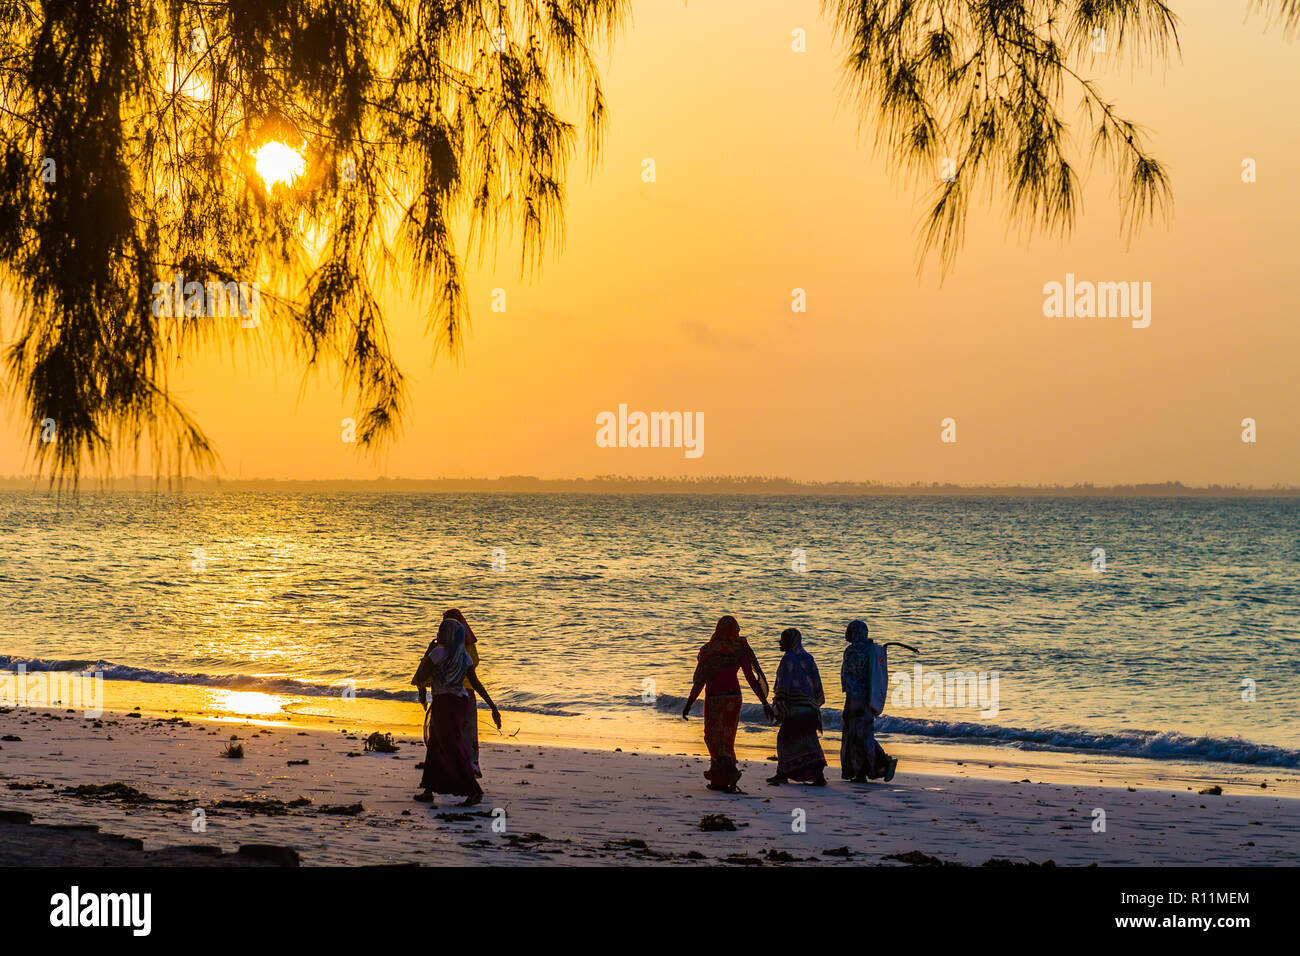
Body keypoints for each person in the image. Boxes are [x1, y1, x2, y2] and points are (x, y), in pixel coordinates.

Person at [412, 617, 501, 806]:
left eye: (440, 631)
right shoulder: (464, 656)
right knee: (436, 745)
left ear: (447, 634)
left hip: (444, 704)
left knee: (451, 746)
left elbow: (420, 677)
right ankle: (428, 789)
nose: (437, 635)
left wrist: (427, 654)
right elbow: (475, 684)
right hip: (460, 702)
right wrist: (493, 707)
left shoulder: (437, 653)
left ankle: (474, 791)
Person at [682, 615, 773, 793]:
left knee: (713, 739)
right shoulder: (739, 648)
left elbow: (700, 681)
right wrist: (764, 702)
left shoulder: (709, 651)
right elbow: (750, 678)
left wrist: (689, 703)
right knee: (726, 739)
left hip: (716, 700)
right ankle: (719, 781)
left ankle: (729, 773)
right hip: (734, 699)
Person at [767, 627, 827, 786]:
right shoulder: (808, 657)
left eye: (783, 640)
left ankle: (782, 774)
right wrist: (814, 702)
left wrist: (779, 706)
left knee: (784, 739)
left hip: (796, 709)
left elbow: (783, 686)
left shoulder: (788, 659)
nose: (780, 643)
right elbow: (817, 685)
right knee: (809, 741)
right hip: (810, 708)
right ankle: (818, 776)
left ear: (791, 642)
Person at [840, 619, 898, 783]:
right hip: (869, 699)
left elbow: (850, 678)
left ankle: (871, 767)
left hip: (855, 699)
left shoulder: (851, 651)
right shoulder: (871, 650)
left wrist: (849, 703)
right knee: (864, 734)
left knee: (854, 735)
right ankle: (873, 767)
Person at [442, 608, 482, 777]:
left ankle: (453, 769)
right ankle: (471, 766)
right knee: (468, 733)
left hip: (447, 696)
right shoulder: (469, 647)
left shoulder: (440, 647)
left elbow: (426, 673)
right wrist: (493, 706)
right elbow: (473, 675)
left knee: (447, 734)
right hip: (468, 695)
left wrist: (422, 690)